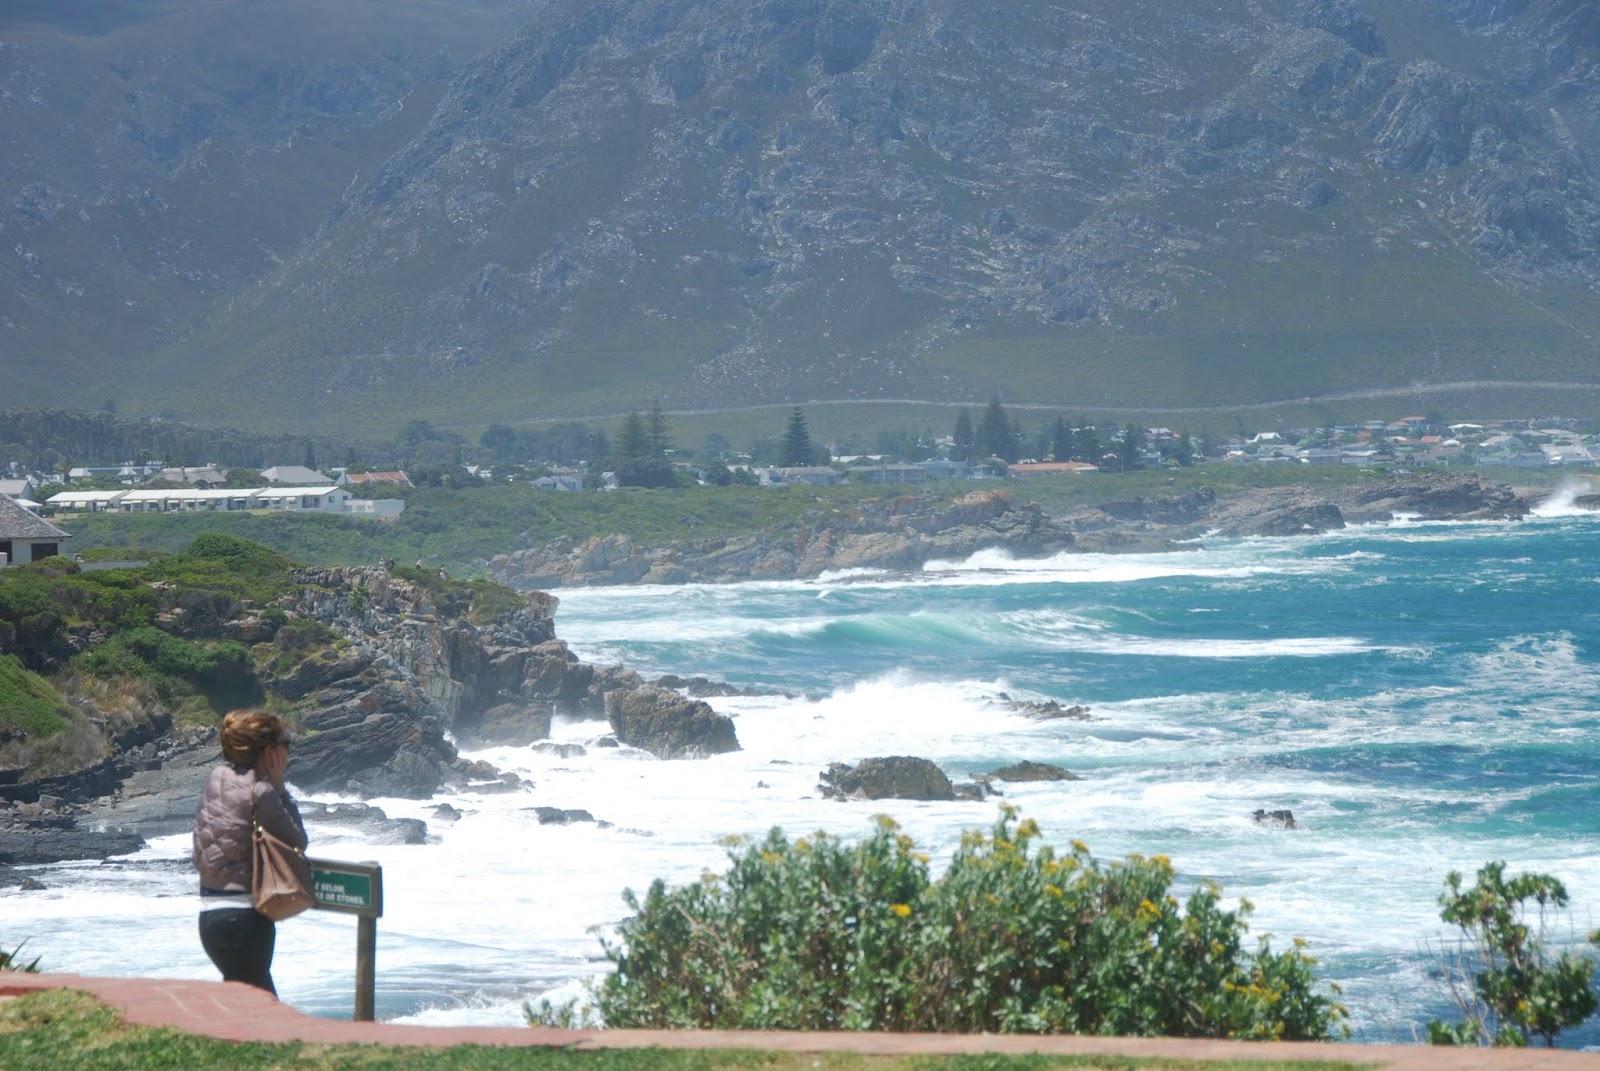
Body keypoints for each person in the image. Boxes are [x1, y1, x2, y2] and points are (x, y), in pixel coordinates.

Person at [192, 709, 307, 995]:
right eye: (285, 744)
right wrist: (279, 785)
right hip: (243, 921)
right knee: (258, 1011)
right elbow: (298, 840)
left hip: (210, 918)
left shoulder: (216, 778)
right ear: (269, 752)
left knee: (257, 1002)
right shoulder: (262, 792)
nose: (287, 751)